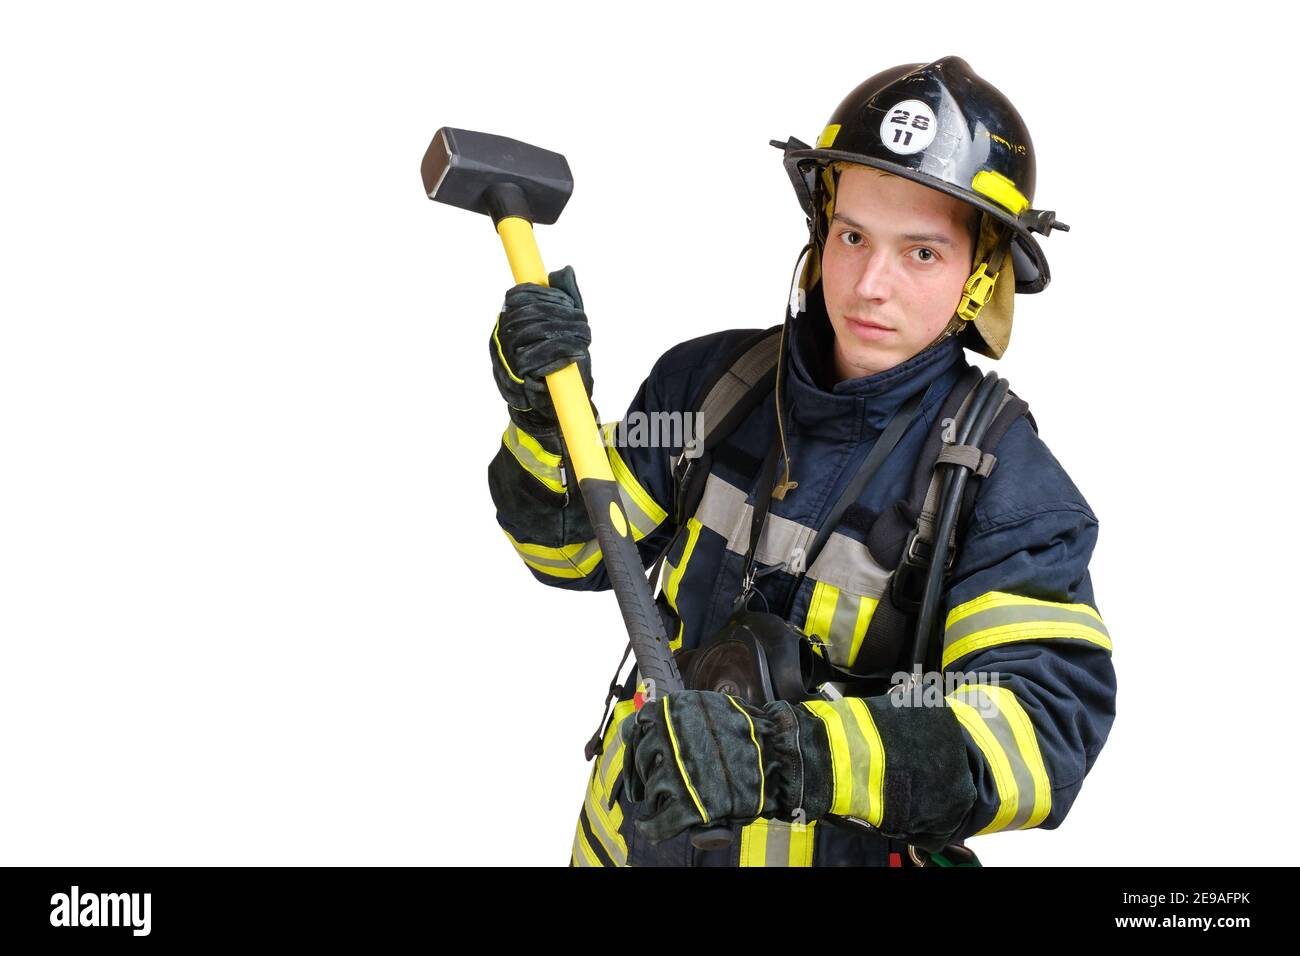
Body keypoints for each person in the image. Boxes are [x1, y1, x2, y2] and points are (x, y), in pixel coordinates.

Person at [487, 56, 1116, 867]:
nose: (868, 284)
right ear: (822, 232)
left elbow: (1038, 732)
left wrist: (785, 757)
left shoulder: (1008, 490)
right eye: (852, 236)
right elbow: (570, 551)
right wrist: (544, 423)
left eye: (920, 253)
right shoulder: (709, 389)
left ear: (981, 273)